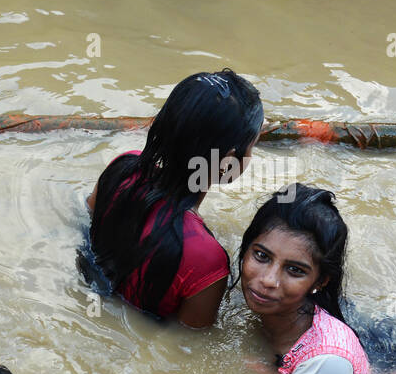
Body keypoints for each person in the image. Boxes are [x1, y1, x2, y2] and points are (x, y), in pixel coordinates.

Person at [84, 69, 264, 327]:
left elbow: (87, 221)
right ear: (226, 161)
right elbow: (186, 344)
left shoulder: (122, 168)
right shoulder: (207, 260)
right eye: (253, 145)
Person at [236, 185, 378, 374]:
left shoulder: (328, 363)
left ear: (320, 281)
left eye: (294, 270)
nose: (268, 280)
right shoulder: (273, 304)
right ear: (246, 249)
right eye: (262, 256)